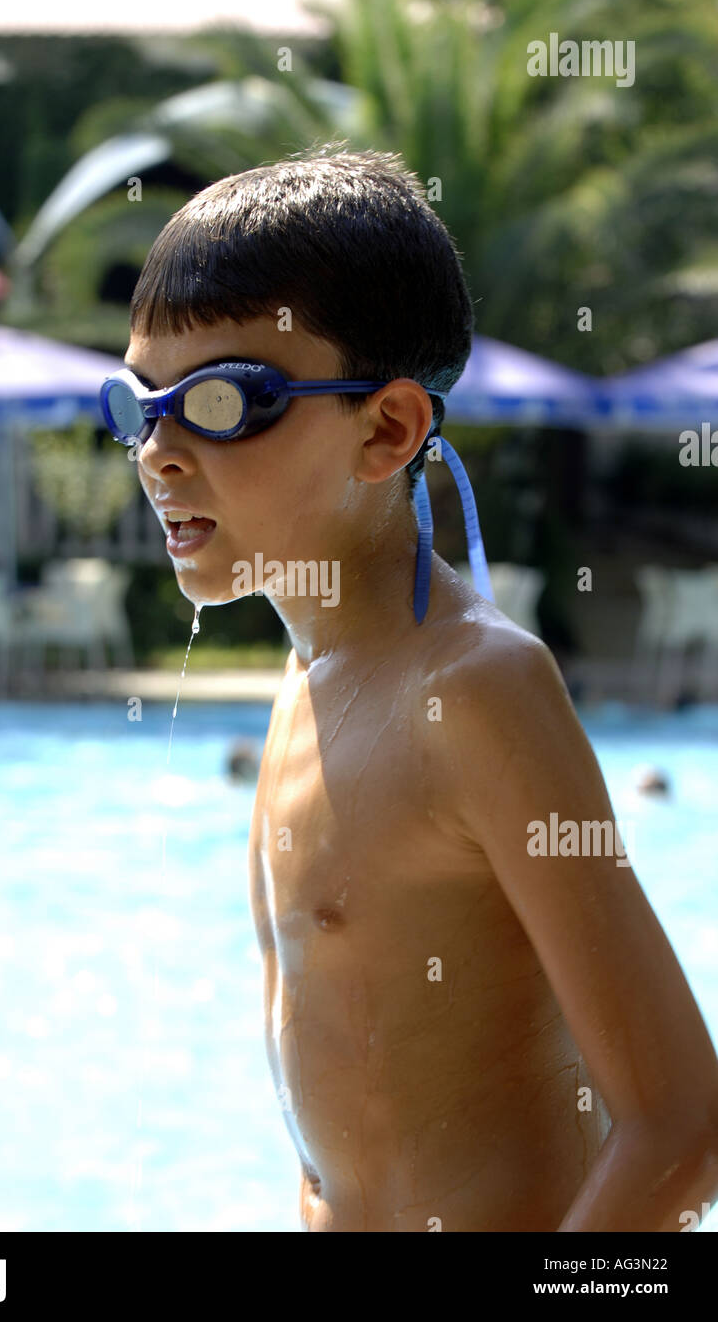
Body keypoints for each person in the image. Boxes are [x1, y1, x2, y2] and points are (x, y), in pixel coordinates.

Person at [103, 143, 718, 1231]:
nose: (157, 451)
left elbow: (682, 1123)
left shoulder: (478, 690)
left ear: (385, 429)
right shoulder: (302, 685)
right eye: (137, 402)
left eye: (220, 402)